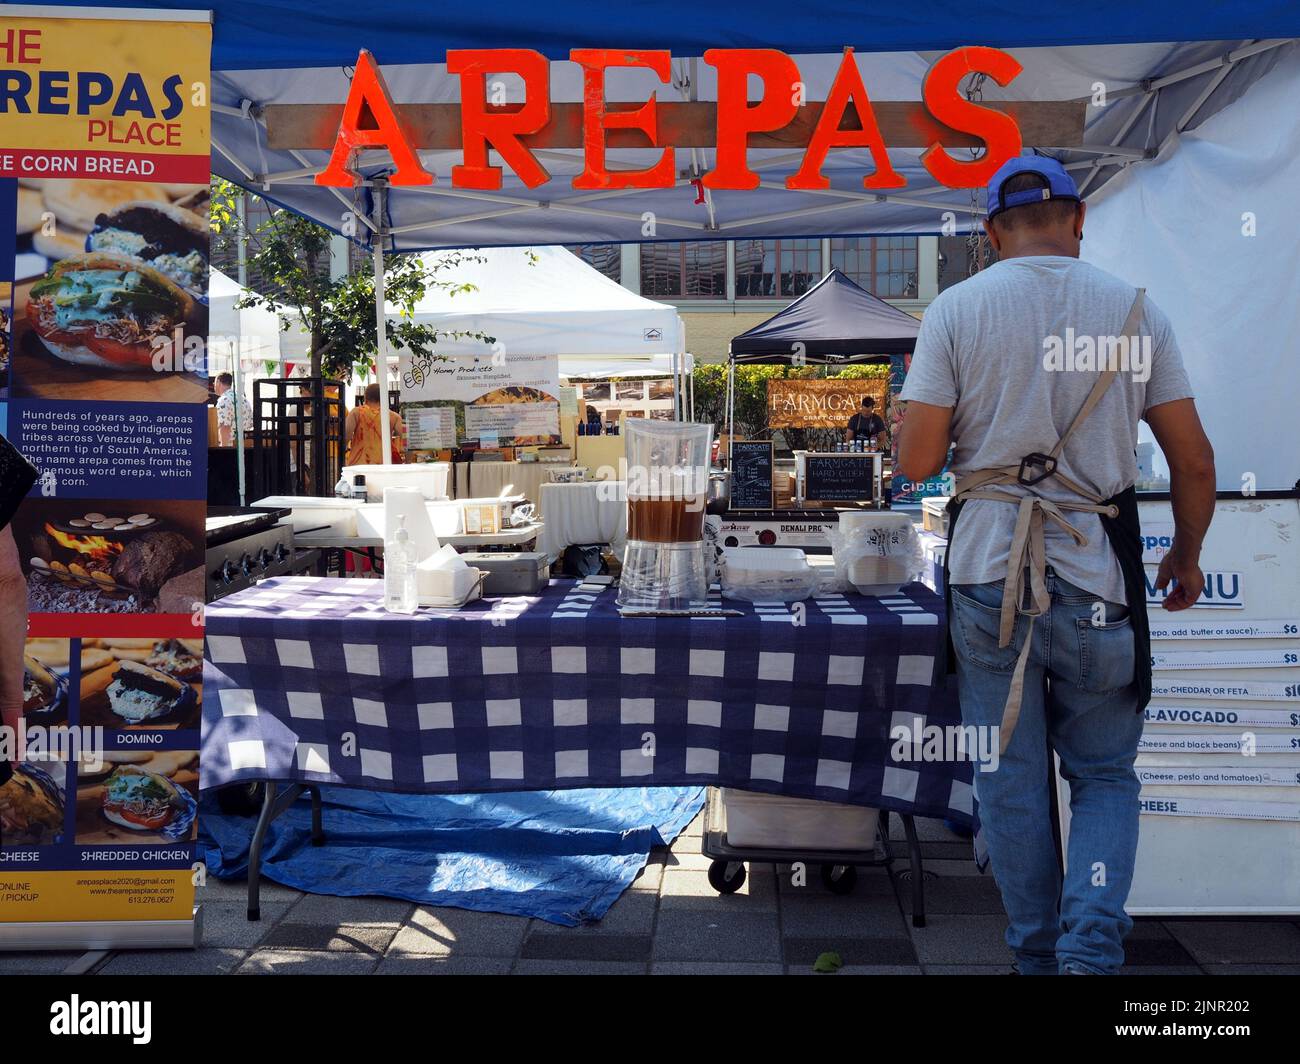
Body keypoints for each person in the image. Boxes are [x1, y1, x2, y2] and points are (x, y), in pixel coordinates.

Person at [896, 156, 1215, 976]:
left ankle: (1035, 956)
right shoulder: (1135, 310)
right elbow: (1193, 460)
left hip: (985, 573)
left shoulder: (958, 309)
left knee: (1006, 777)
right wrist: (1186, 553)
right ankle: (1089, 954)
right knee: (1105, 775)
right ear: (1077, 222)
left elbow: (917, 460)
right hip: (1097, 577)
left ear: (992, 232)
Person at [345, 383, 407, 466]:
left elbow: (345, 437)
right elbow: (408, 440)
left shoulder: (356, 413)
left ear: (365, 397)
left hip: (358, 465)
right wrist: (408, 462)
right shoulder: (393, 417)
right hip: (383, 465)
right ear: (384, 397)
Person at [213, 372, 252, 447]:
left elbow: (224, 427)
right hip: (245, 447)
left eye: (214, 382)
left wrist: (223, 448)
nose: (214, 385)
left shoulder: (224, 400)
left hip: (231, 449)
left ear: (218, 382)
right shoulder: (244, 399)